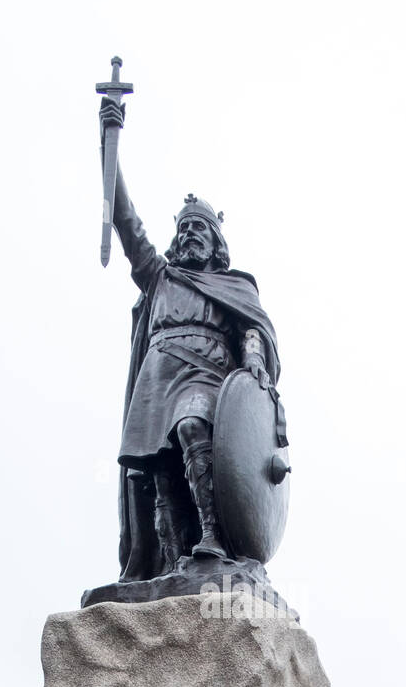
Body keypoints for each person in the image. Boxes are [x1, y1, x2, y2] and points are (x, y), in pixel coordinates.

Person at [99, 96, 280, 582]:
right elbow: (125, 221)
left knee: (193, 427)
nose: (191, 234)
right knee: (157, 471)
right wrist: (108, 146)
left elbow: (253, 330)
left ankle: (214, 536)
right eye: (185, 228)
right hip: (157, 377)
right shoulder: (160, 277)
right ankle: (175, 563)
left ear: (216, 242)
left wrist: (254, 357)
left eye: (201, 228)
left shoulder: (235, 286)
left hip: (206, 374)